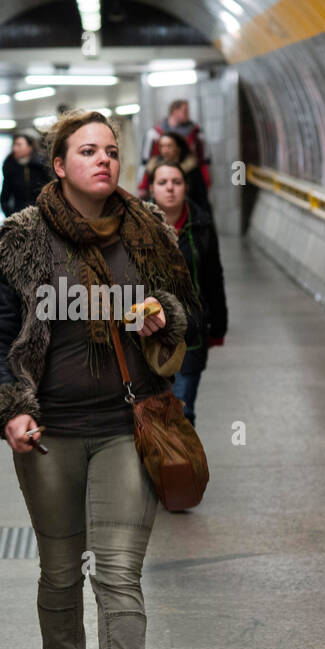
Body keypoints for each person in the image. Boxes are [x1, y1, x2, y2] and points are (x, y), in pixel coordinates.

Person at [0, 109, 199, 649]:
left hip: (130, 425)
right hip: (50, 432)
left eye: (112, 150)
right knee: (60, 570)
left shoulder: (148, 231)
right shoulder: (22, 237)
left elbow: (188, 313)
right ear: (60, 164)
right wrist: (12, 407)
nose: (104, 160)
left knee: (120, 572)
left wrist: (166, 316)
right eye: (88, 150)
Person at [145, 162, 227, 424]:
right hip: (147, 335)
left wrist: (218, 328)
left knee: (181, 413)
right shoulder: (137, 227)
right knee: (149, 414)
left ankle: (181, 465)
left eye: (176, 182)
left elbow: (213, 277)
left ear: (186, 187)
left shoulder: (201, 225)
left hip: (191, 334)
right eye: (162, 182)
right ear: (151, 188)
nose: (170, 188)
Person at [139, 130, 210, 214]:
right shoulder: (153, 167)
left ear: (178, 148)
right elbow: (144, 191)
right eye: (162, 146)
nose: (165, 150)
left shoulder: (190, 167)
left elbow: (200, 197)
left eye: (169, 146)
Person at [141, 98, 209, 186]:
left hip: (189, 172)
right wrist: (143, 186)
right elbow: (145, 161)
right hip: (161, 169)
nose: (188, 114)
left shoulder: (195, 132)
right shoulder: (155, 133)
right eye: (185, 111)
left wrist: (205, 178)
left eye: (169, 146)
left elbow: (203, 158)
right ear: (175, 112)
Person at [0, 133, 52, 216]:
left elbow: (51, 191)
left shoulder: (42, 166)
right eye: (14, 145)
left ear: (30, 147)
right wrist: (10, 215)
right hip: (18, 214)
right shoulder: (10, 166)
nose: (15, 148)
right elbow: (5, 196)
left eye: (19, 145)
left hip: (41, 214)